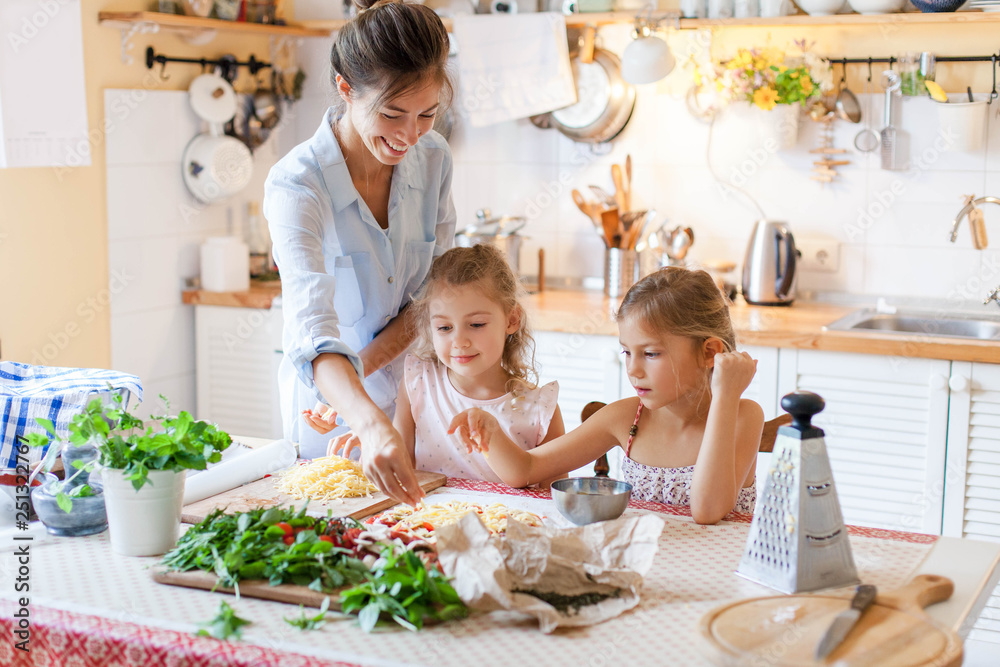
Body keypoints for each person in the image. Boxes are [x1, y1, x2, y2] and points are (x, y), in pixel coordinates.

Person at [263, 0, 455, 505]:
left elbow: (434, 299)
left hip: (419, 405)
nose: (409, 136)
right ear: (345, 88)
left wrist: (372, 377)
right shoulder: (297, 185)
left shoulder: (434, 159)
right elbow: (312, 333)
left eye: (427, 115)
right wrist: (367, 420)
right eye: (392, 114)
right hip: (330, 418)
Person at [449, 267, 765, 524]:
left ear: (709, 352)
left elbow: (707, 511)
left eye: (651, 354)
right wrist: (490, 431)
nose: (633, 369)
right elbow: (525, 469)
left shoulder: (742, 416)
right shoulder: (627, 418)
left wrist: (725, 394)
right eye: (627, 352)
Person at [322, 244, 565, 486]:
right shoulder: (418, 381)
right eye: (445, 328)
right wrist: (374, 444)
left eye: (477, 324)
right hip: (428, 524)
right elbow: (401, 466)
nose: (459, 341)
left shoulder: (541, 408)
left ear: (512, 319)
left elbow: (554, 504)